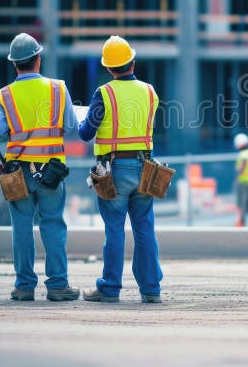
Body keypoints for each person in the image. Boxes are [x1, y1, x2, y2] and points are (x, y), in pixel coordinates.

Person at [0, 33, 81, 302]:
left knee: (21, 227)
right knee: (53, 224)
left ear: (15, 64)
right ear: (38, 60)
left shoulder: (2, 96)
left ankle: (24, 286)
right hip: (51, 172)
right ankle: (57, 285)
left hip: (18, 173)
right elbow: (72, 126)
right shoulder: (58, 89)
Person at [78, 35, 163, 304]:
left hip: (113, 169)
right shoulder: (150, 92)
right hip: (146, 167)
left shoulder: (103, 93)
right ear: (133, 62)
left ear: (108, 68)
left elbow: (85, 132)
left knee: (114, 229)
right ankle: (151, 290)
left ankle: (110, 288)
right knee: (144, 229)